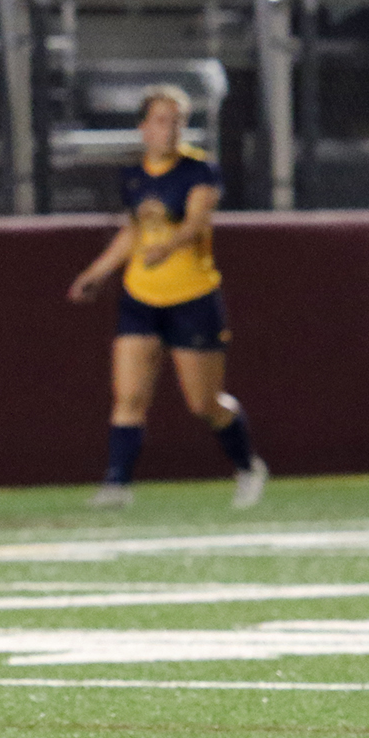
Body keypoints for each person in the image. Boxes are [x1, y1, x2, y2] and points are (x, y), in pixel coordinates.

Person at [66, 85, 269, 510]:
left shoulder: (199, 170)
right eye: (161, 120)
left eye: (177, 120)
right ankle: (117, 484)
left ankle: (248, 465)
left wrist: (168, 246)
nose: (170, 129)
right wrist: (96, 273)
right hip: (141, 296)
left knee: (203, 402)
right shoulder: (134, 177)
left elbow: (197, 221)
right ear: (143, 128)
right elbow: (132, 233)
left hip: (192, 295)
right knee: (129, 396)